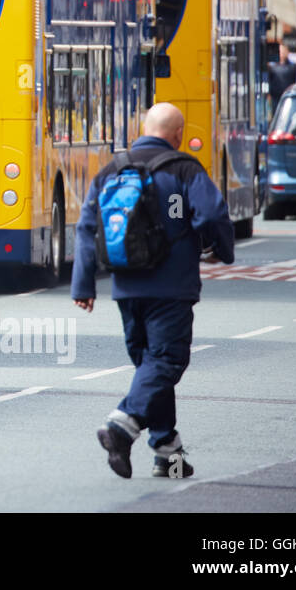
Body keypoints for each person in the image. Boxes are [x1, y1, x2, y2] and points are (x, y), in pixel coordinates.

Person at [71, 102, 235, 479]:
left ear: (142, 127)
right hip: (171, 287)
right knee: (167, 362)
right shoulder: (184, 168)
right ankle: (122, 426)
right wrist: (218, 250)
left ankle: (169, 456)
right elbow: (210, 215)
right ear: (177, 134)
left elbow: (86, 228)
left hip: (126, 288)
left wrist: (83, 285)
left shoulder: (112, 170)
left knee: (152, 367)